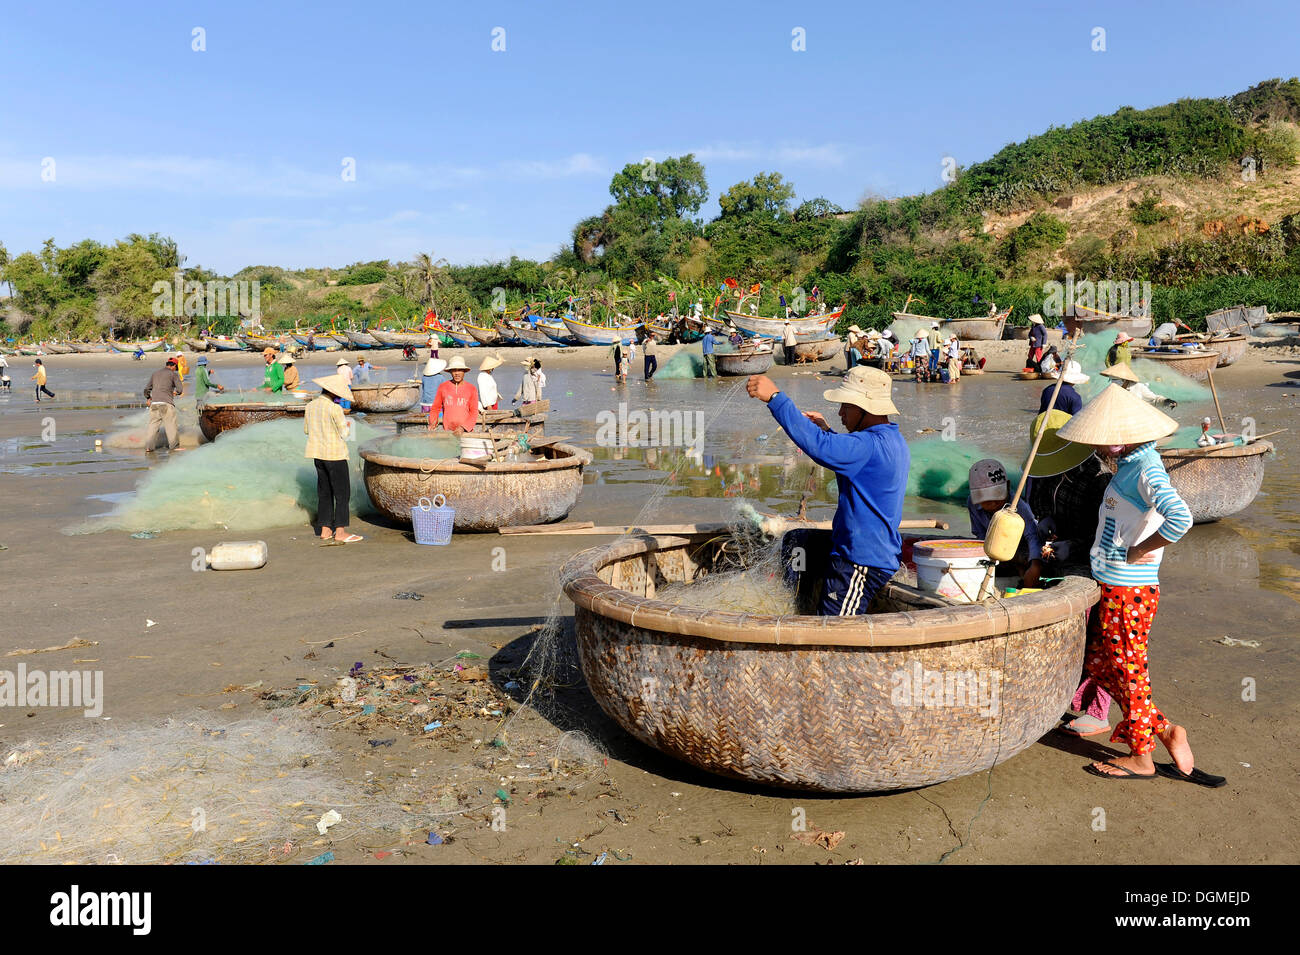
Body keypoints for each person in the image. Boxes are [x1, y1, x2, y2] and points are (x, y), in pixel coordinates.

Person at [1056, 384, 1222, 785]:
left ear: (1121, 440)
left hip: (1128, 589)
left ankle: (1141, 756)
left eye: (1102, 439)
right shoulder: (1134, 465)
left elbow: (1179, 518)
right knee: (1099, 663)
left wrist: (1140, 549)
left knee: (1129, 672)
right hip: (1115, 586)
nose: (1097, 446)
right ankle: (1163, 730)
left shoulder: (1146, 468)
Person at [746, 366, 910, 615]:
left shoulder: (867, 445)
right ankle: (796, 609)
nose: (841, 412)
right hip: (853, 545)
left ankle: (820, 624)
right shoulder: (890, 438)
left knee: (833, 627)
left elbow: (822, 447)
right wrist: (827, 431)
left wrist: (776, 398)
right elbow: (841, 451)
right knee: (797, 541)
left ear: (865, 409)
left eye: (846, 406)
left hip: (862, 560)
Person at [966, 458, 1043, 587]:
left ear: (1007, 486)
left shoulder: (1018, 505)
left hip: (1020, 550)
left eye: (997, 498)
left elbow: (1033, 536)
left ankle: (1022, 571)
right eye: (987, 501)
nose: (993, 504)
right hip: (993, 549)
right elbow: (980, 535)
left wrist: (1035, 566)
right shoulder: (972, 504)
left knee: (1029, 559)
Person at [305, 374, 361, 543]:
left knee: (324, 493)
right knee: (342, 494)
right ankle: (341, 531)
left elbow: (307, 430)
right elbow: (344, 433)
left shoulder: (310, 406)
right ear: (333, 393)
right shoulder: (334, 408)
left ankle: (325, 529)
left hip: (318, 454)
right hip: (335, 455)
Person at [143, 357, 184, 452]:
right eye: (176, 367)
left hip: (154, 404)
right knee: (171, 426)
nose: (175, 369)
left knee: (153, 427)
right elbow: (180, 390)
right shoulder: (173, 375)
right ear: (174, 366)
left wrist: (148, 398)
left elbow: (146, 389)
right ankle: (174, 447)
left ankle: (149, 447)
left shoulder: (155, 373)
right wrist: (176, 392)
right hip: (166, 404)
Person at [428, 356, 479, 433]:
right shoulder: (443, 387)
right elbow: (435, 408)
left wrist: (463, 428)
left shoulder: (471, 388)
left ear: (464, 371)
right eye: (454, 370)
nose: (457, 373)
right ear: (450, 372)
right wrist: (432, 422)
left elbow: (474, 412)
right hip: (448, 430)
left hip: (466, 431)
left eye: (460, 370)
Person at [1100, 363, 1177, 409]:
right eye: (1112, 381)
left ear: (1125, 380)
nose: (1114, 384)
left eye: (1116, 381)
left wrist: (1166, 401)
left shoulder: (1138, 387)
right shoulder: (1110, 392)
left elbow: (1154, 399)